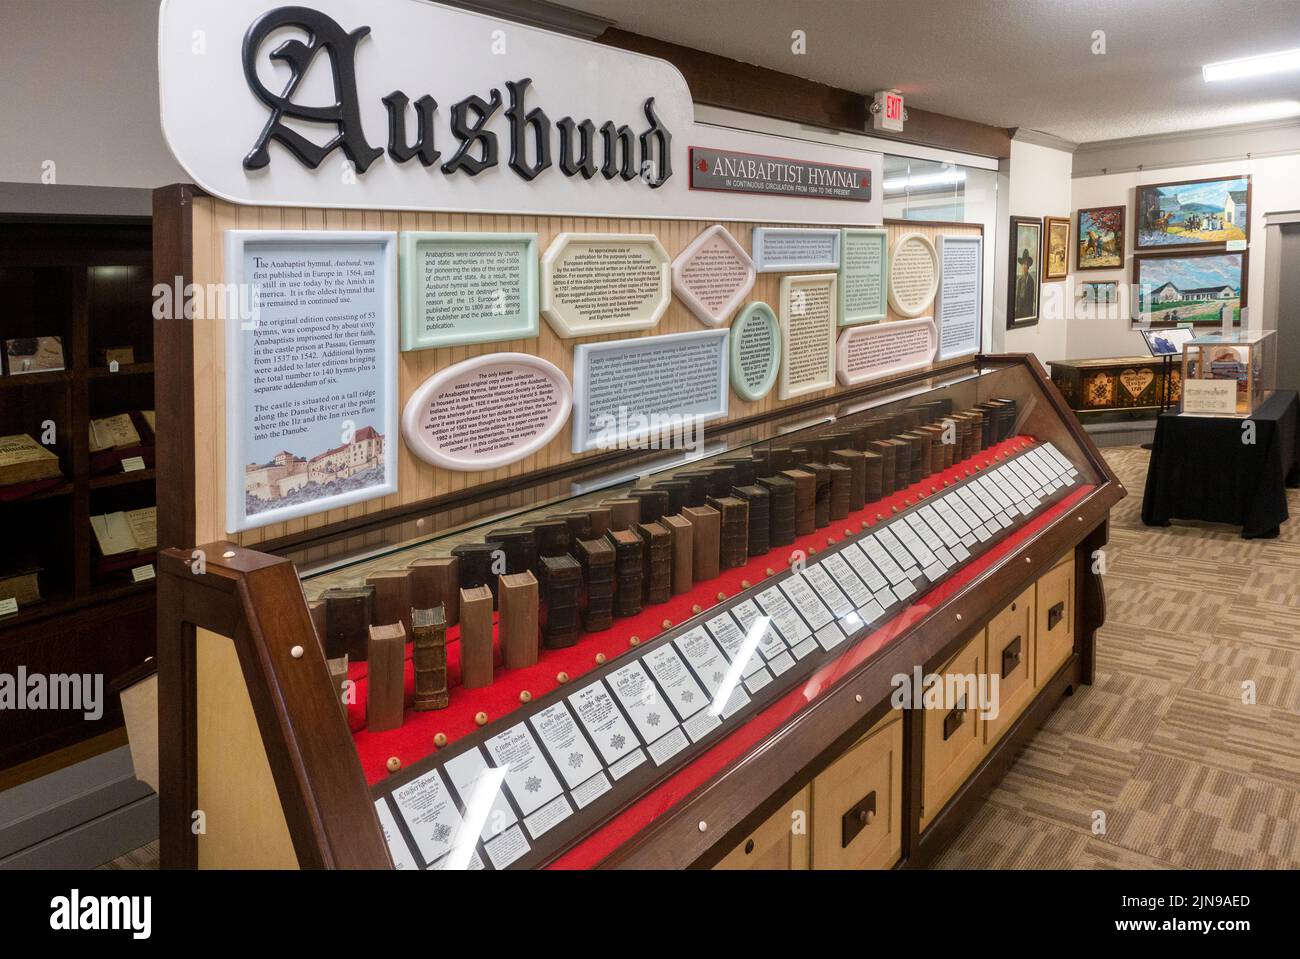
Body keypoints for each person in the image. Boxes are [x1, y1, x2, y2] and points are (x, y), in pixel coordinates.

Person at [1014, 248, 1037, 319]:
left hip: (1027, 312)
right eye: (1023, 264)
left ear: (1028, 267)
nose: (1024, 267)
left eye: (1026, 265)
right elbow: (1017, 297)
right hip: (1019, 311)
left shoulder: (1031, 281)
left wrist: (1030, 314)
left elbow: (1031, 300)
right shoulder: (1019, 280)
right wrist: (1017, 310)